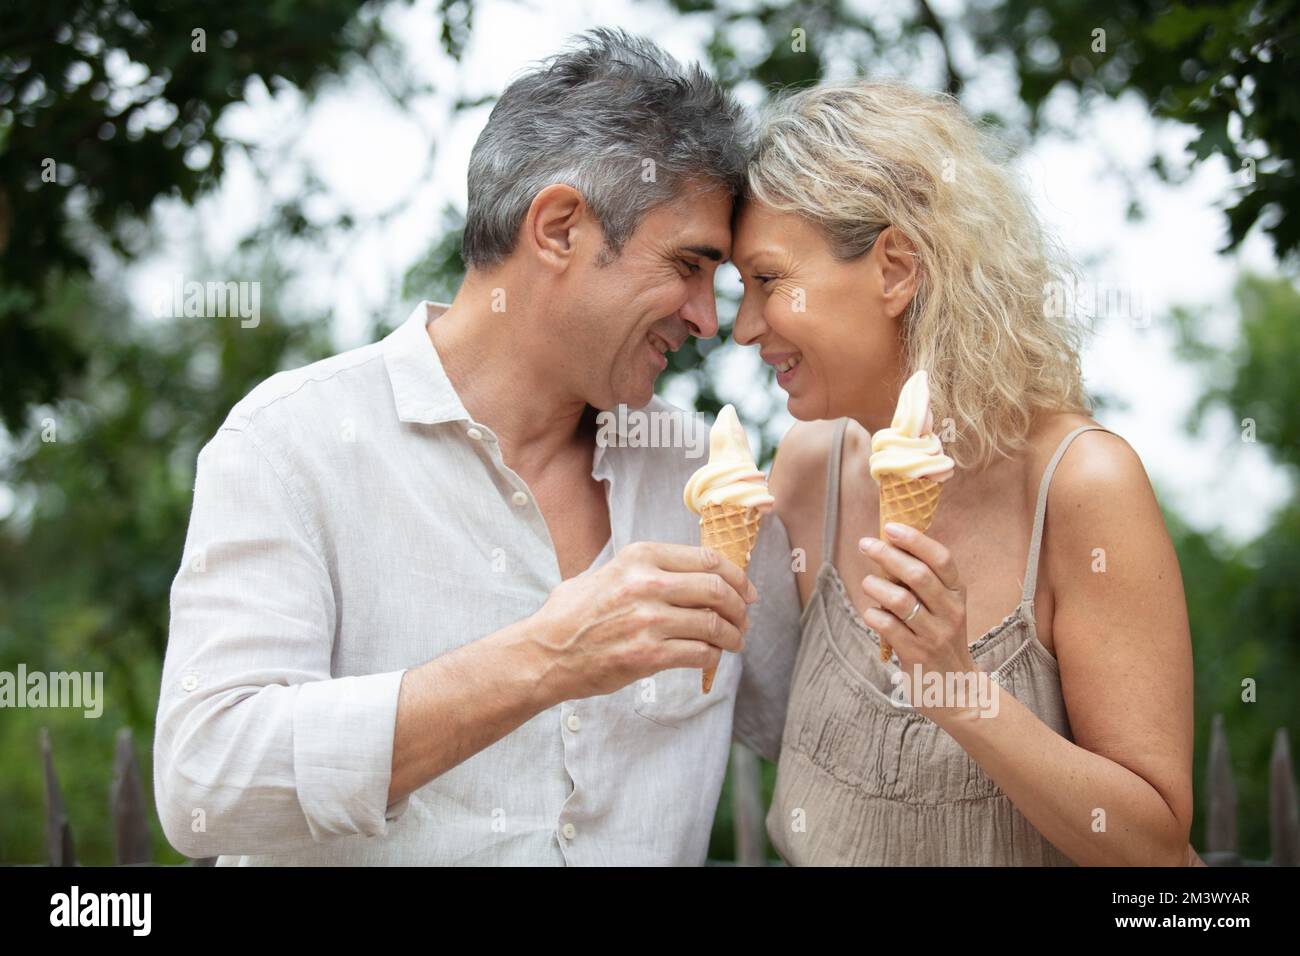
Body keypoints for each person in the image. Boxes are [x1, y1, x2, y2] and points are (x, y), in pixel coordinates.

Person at [153, 29, 801, 866]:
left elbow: (824, 737)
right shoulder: (290, 445)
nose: (707, 318)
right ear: (560, 228)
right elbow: (207, 781)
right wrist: (541, 660)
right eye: (687, 265)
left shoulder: (710, 482)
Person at [730, 79, 1196, 865]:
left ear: (895, 269)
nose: (743, 328)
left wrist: (958, 688)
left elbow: (1153, 843)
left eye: (768, 282)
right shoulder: (809, 472)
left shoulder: (1082, 486)